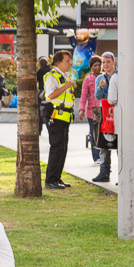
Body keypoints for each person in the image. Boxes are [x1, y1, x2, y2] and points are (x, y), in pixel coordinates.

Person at [42, 51, 77, 190]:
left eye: (70, 61)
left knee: (62, 148)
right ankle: (50, 180)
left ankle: (57, 178)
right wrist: (66, 86)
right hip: (55, 116)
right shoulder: (52, 76)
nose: (70, 63)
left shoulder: (66, 76)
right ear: (59, 62)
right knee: (56, 147)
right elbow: (50, 95)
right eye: (67, 61)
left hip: (65, 117)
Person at [93, 53, 117, 183]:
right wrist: (100, 87)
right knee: (104, 143)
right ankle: (104, 173)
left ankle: (124, 174)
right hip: (105, 113)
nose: (105, 65)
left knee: (120, 144)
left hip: (118, 112)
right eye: (103, 62)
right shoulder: (100, 78)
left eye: (108, 61)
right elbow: (97, 96)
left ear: (114, 62)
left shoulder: (120, 76)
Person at [77, 56, 102, 164]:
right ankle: (96, 157)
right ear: (91, 67)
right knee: (94, 134)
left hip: (104, 109)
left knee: (103, 134)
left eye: (99, 65)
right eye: (95, 65)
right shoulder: (87, 80)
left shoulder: (105, 77)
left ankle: (103, 155)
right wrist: (81, 110)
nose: (97, 67)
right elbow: (83, 96)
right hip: (92, 111)